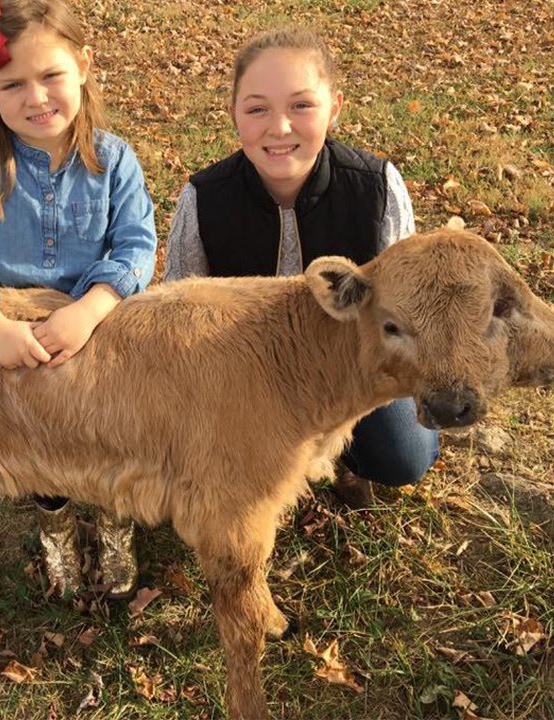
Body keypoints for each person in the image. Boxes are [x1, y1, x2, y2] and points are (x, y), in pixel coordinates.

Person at [0, 0, 156, 597]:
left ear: (83, 65)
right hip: (13, 334)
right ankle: (54, 519)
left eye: (51, 75)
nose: (36, 98)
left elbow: (136, 245)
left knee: (111, 431)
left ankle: (113, 516)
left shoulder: (113, 160)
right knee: (39, 437)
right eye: (12, 85)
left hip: (97, 325)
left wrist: (90, 308)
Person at [164, 27, 437, 507]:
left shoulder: (375, 188)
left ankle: (350, 460)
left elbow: (409, 305)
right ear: (233, 114)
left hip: (351, 370)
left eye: (302, 105)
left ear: (334, 107)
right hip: (245, 377)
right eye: (257, 109)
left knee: (404, 454)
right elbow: (180, 314)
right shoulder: (205, 198)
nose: (280, 127)